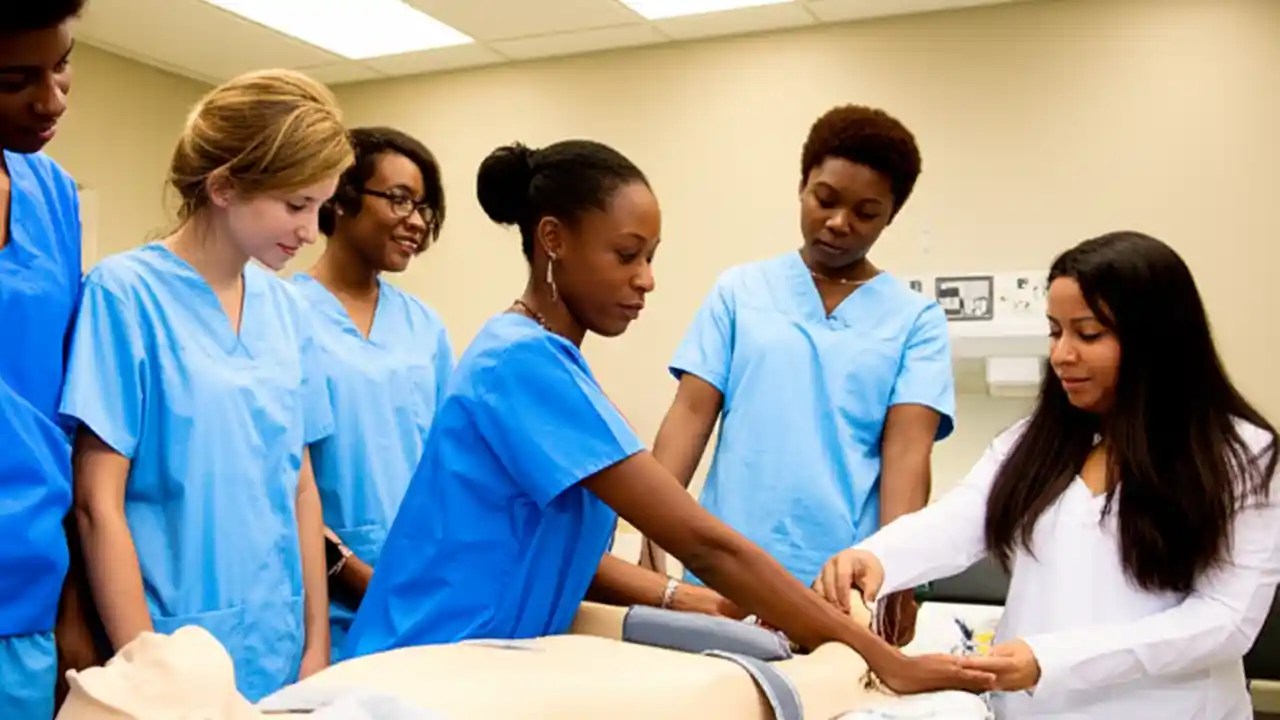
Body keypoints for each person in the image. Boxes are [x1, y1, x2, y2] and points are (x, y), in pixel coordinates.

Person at [342, 138, 994, 696]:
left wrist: (693, 601)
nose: (648, 279)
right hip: (416, 672)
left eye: (652, 256)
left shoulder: (545, 359)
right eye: (627, 255)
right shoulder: (521, 365)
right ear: (553, 240)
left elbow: (540, 543)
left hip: (467, 664)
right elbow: (704, 542)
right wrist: (888, 662)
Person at [814, 231, 1280, 718]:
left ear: (1155, 340)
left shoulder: (1242, 457)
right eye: (1055, 331)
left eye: (1088, 334)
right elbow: (960, 521)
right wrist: (876, 558)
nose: (1061, 354)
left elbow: (1224, 622)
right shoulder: (1034, 444)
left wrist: (1050, 660)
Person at [59, 69, 354, 702]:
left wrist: (316, 647)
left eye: (320, 206)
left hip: (278, 643)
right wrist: (147, 667)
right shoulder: (126, 294)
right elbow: (96, 505)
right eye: (296, 205)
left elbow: (301, 487)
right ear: (224, 186)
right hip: (170, 642)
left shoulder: (287, 310)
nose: (310, 230)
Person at [641, 104, 955, 644]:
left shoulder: (914, 320)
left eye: (866, 212)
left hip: (840, 584)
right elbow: (690, 416)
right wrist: (651, 534)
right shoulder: (740, 292)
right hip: (723, 574)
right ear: (802, 186)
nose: (839, 223)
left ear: (890, 217)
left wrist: (899, 577)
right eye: (825, 200)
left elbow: (907, 454)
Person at [292, 126, 454, 659]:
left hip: (418, 596)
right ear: (340, 197)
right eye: (400, 199)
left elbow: (447, 464)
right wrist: (353, 573)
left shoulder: (423, 327)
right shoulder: (282, 313)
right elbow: (277, 473)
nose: (416, 221)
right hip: (316, 599)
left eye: (424, 208)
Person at [0, 2, 85, 716]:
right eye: (13, 78)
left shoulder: (50, 194)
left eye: (60, 66)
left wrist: (74, 606)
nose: (50, 98)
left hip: (25, 580)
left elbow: (62, 410)